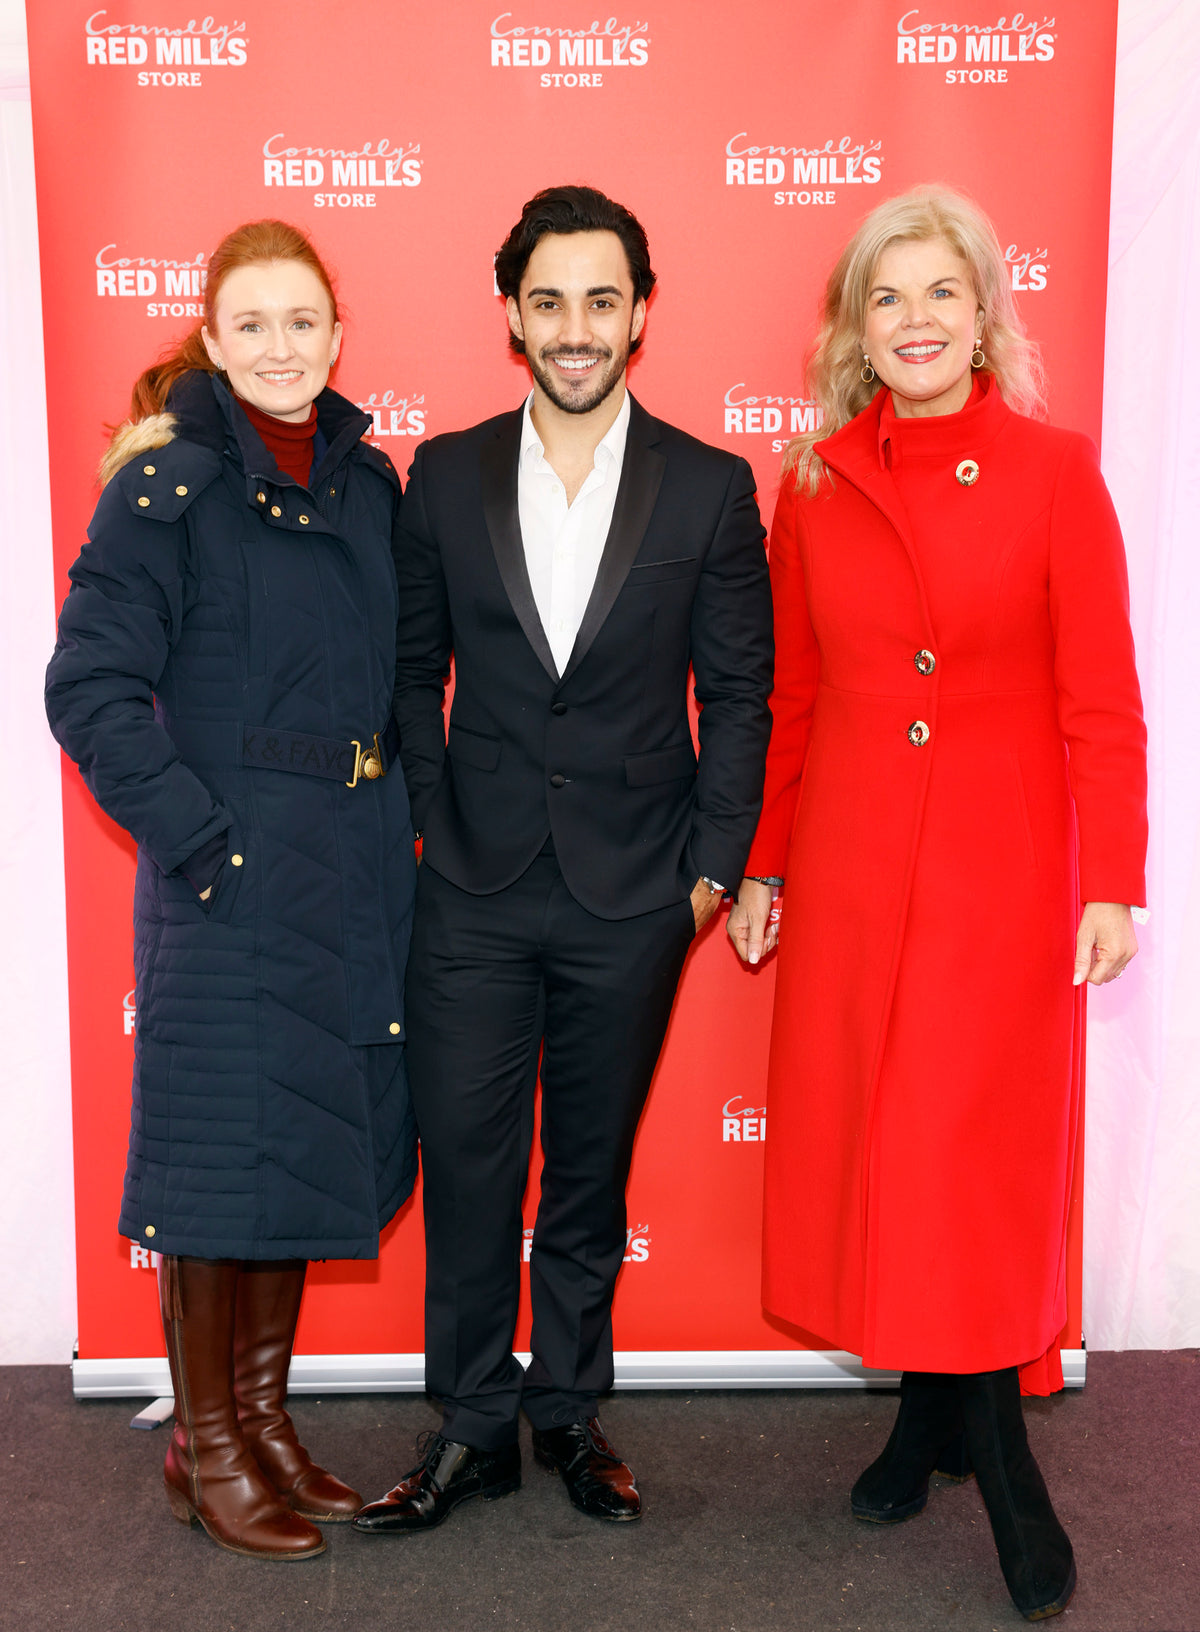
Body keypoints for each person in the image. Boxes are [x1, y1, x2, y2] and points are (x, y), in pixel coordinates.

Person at [727, 186, 1146, 1621]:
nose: (914, 319)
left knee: (965, 1159)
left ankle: (1002, 1458)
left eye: (940, 292)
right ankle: (927, 1414)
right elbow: (792, 698)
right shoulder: (814, 483)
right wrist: (768, 864)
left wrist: (1115, 881)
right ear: (857, 326)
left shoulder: (1056, 473)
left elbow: (1103, 700)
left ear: (983, 315)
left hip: (999, 877)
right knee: (884, 1149)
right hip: (853, 869)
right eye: (887, 296)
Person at [353, 185, 773, 1536]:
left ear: (640, 314)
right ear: (512, 315)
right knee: (471, 1171)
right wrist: (435, 816)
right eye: (549, 301)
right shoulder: (445, 475)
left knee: (589, 1173)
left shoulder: (710, 487)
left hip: (636, 892)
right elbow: (412, 672)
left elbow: (741, 695)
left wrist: (709, 874)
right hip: (469, 889)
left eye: (602, 299)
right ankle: (472, 1425)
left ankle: (570, 1413)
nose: (575, 327)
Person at [45, 220, 417, 1562]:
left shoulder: (369, 484)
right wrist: (202, 840)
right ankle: (204, 1448)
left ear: (337, 334)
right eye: (250, 324)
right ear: (211, 338)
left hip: (351, 871)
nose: (279, 347)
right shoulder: (166, 489)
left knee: (299, 1150)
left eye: (302, 321)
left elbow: (396, 681)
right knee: (219, 1164)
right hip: (231, 881)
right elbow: (88, 687)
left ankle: (261, 1424)